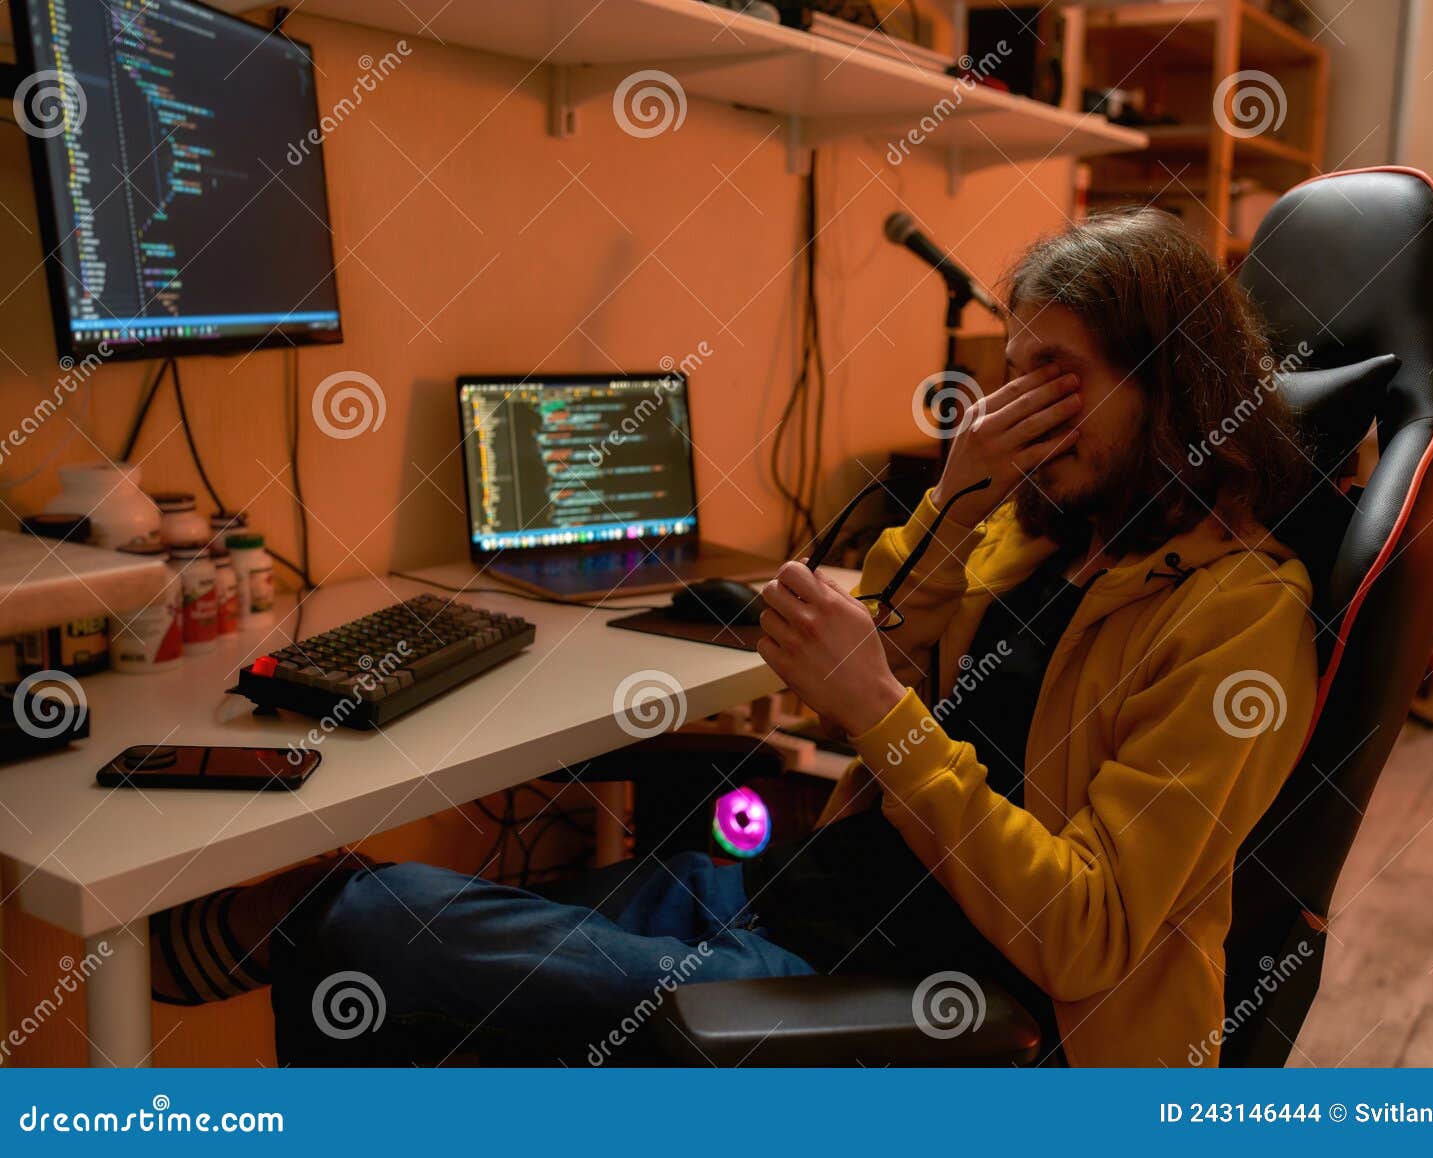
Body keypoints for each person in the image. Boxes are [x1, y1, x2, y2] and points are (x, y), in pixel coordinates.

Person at [149, 208, 1319, 1066]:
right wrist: (961, 491)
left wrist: (881, 712)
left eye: (1054, 382)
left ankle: (292, 915)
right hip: (799, 903)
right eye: (1006, 380)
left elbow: (1087, 935)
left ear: (1169, 382)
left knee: (368, 922)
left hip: (930, 1005)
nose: (1016, 414)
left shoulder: (1236, 618)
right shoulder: (1044, 528)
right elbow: (881, 657)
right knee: (407, 963)